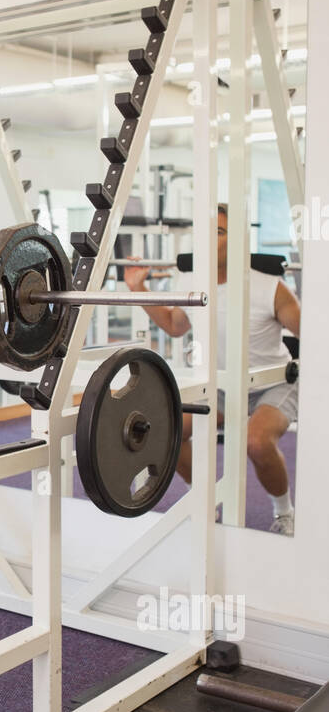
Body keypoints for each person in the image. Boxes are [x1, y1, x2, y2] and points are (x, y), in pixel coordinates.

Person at [123, 204, 300, 534]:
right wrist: (138, 289)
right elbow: (176, 325)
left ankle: (284, 511)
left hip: (272, 382)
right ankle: (205, 498)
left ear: (238, 240)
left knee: (258, 443)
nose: (206, 241)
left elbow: (311, 337)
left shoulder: (270, 288)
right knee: (165, 434)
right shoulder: (191, 280)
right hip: (219, 385)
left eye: (217, 233)